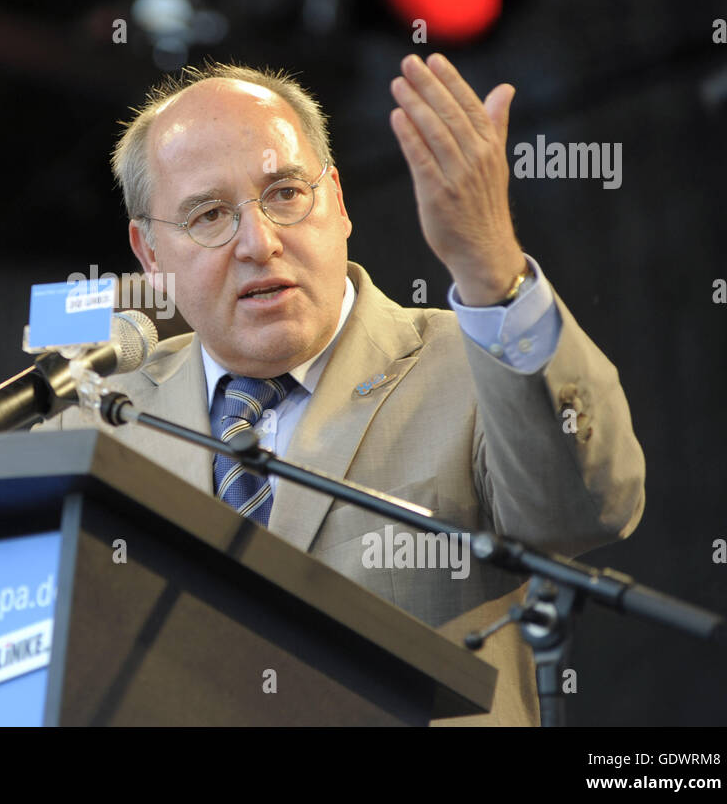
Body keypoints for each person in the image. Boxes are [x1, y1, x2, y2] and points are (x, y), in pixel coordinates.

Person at [38, 54, 646, 726]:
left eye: (285, 194)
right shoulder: (93, 426)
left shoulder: (475, 363)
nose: (258, 242)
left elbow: (589, 506)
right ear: (151, 255)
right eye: (209, 214)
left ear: (338, 200)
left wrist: (491, 266)